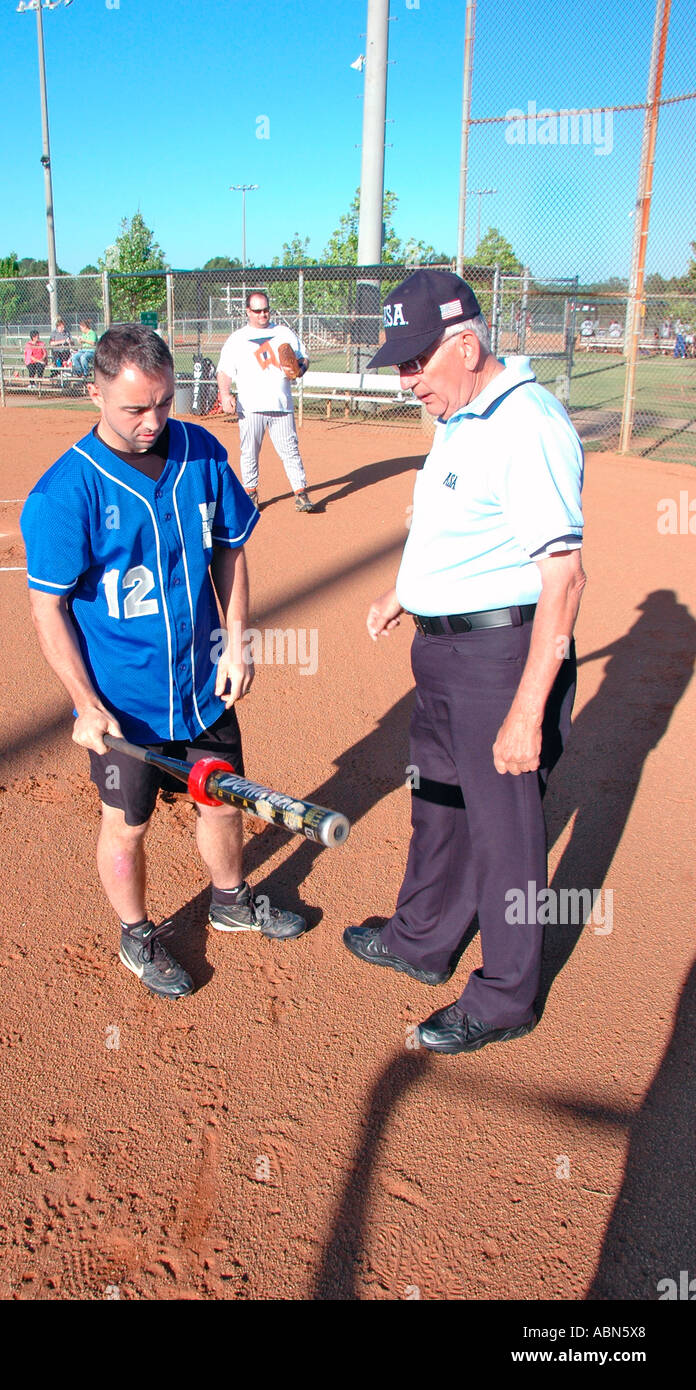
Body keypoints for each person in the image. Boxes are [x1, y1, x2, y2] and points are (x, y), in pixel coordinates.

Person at [20, 324, 307, 1000]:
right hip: (124, 705)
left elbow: (231, 547)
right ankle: (137, 933)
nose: (152, 422)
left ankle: (230, 900)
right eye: (134, 408)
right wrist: (86, 705)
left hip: (203, 685)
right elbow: (47, 609)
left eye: (164, 402)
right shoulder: (65, 493)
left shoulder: (201, 452)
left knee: (223, 802)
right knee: (128, 825)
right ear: (94, 393)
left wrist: (236, 637)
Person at [342, 269, 586, 1054]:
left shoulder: (527, 425)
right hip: (443, 649)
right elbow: (458, 524)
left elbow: (564, 578)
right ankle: (421, 939)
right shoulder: (460, 414)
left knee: (505, 832)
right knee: (439, 802)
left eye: (418, 361)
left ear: (468, 345)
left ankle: (507, 995)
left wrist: (525, 712)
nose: (408, 380)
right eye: (401, 363)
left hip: (500, 657)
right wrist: (404, 591)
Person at [217, 291, 314, 512]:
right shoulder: (237, 339)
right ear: (248, 311)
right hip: (251, 407)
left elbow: (303, 358)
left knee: (290, 451)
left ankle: (300, 494)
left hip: (281, 405)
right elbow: (224, 371)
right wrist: (225, 394)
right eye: (258, 311)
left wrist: (300, 368)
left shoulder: (283, 333)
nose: (263, 314)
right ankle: (250, 493)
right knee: (249, 451)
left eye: (266, 310)